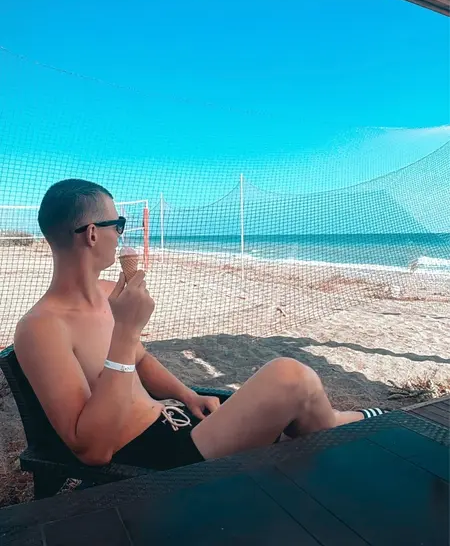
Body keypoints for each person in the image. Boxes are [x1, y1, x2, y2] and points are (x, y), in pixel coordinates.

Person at [15, 179, 380, 471]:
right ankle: (355, 425)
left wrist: (187, 395)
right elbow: (92, 450)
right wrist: (125, 331)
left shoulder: (110, 293)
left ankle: (344, 425)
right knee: (290, 377)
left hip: (176, 422)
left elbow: (139, 360)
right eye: (118, 225)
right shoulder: (41, 328)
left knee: (297, 411)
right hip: (157, 458)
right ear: (92, 233)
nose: (121, 235)